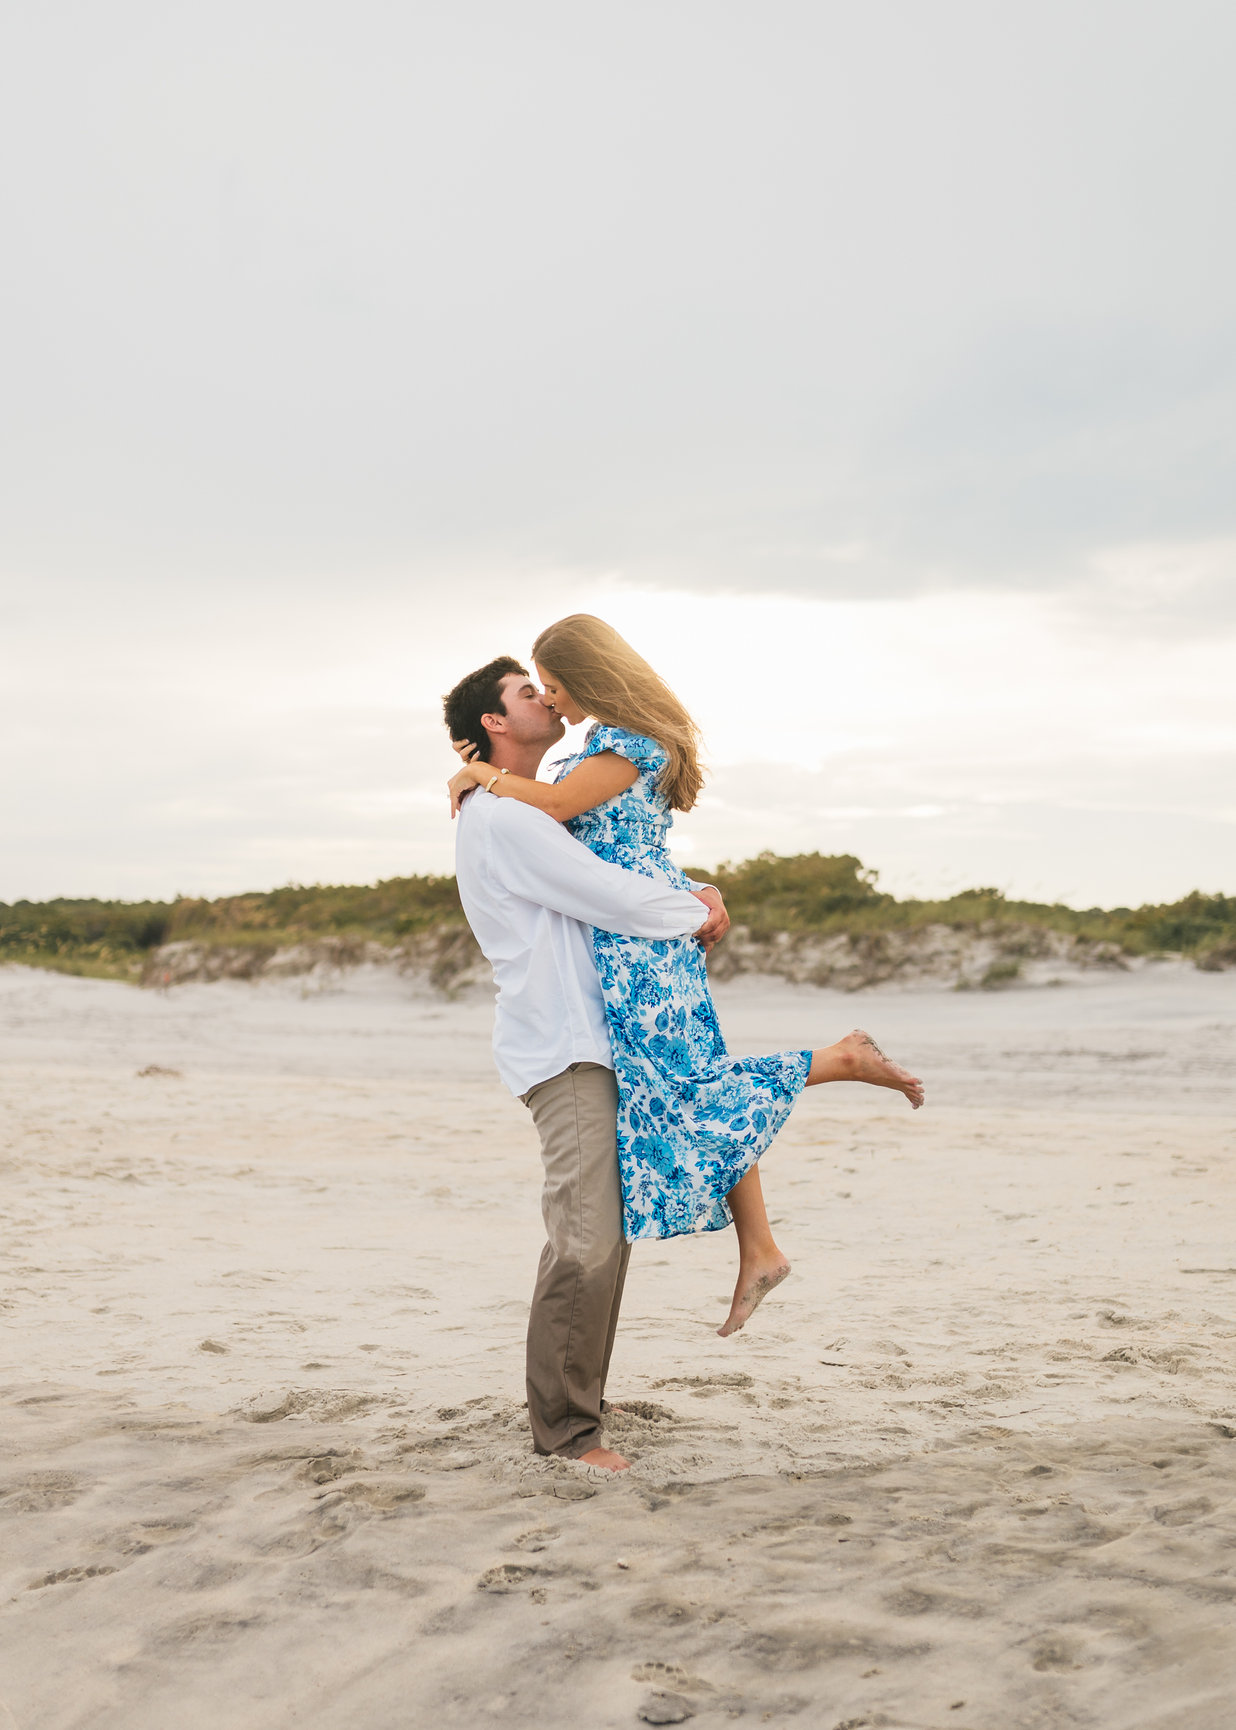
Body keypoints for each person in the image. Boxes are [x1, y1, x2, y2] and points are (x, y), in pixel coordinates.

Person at [448, 615, 925, 1340]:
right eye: (537, 691)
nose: (552, 702)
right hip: (644, 935)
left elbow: (565, 823)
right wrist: (699, 888)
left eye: (554, 686)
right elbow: (625, 848)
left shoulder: (619, 745)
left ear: (588, 678)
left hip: (643, 943)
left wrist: (481, 773)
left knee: (693, 1089)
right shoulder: (603, 751)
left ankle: (838, 1061)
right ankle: (759, 1247)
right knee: (693, 1089)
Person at [443, 655, 731, 1473]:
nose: (545, 696)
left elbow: (619, 868)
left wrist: (699, 889)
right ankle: (566, 1435)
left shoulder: (528, 811)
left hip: (594, 1041)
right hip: (563, 1046)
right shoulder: (506, 819)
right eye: (526, 692)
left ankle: (581, 1411)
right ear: (496, 724)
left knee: (606, 1236)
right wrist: (697, 914)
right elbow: (611, 898)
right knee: (585, 1240)